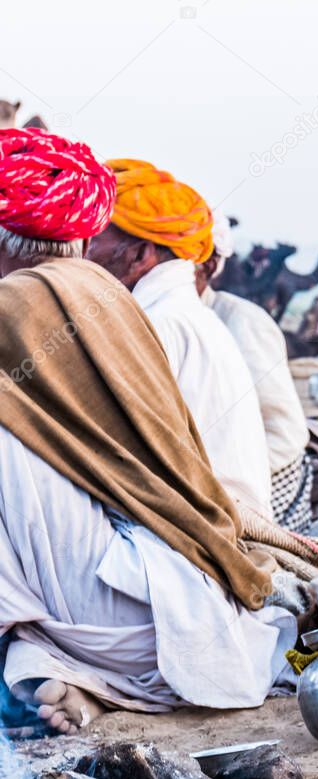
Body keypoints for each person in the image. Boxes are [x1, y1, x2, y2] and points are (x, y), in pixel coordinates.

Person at [0, 128, 294, 734]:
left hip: (148, 597)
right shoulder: (103, 293)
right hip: (187, 583)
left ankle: (81, 671)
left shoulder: (26, 300)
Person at [87, 160, 274, 525]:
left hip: (201, 542)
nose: (82, 253)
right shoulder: (181, 314)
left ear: (140, 255)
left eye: (94, 241)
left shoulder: (159, 324)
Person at [195, 212, 315, 533]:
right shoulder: (173, 319)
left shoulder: (240, 321)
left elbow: (286, 433)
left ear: (207, 266)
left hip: (262, 484)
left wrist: (217, 488)